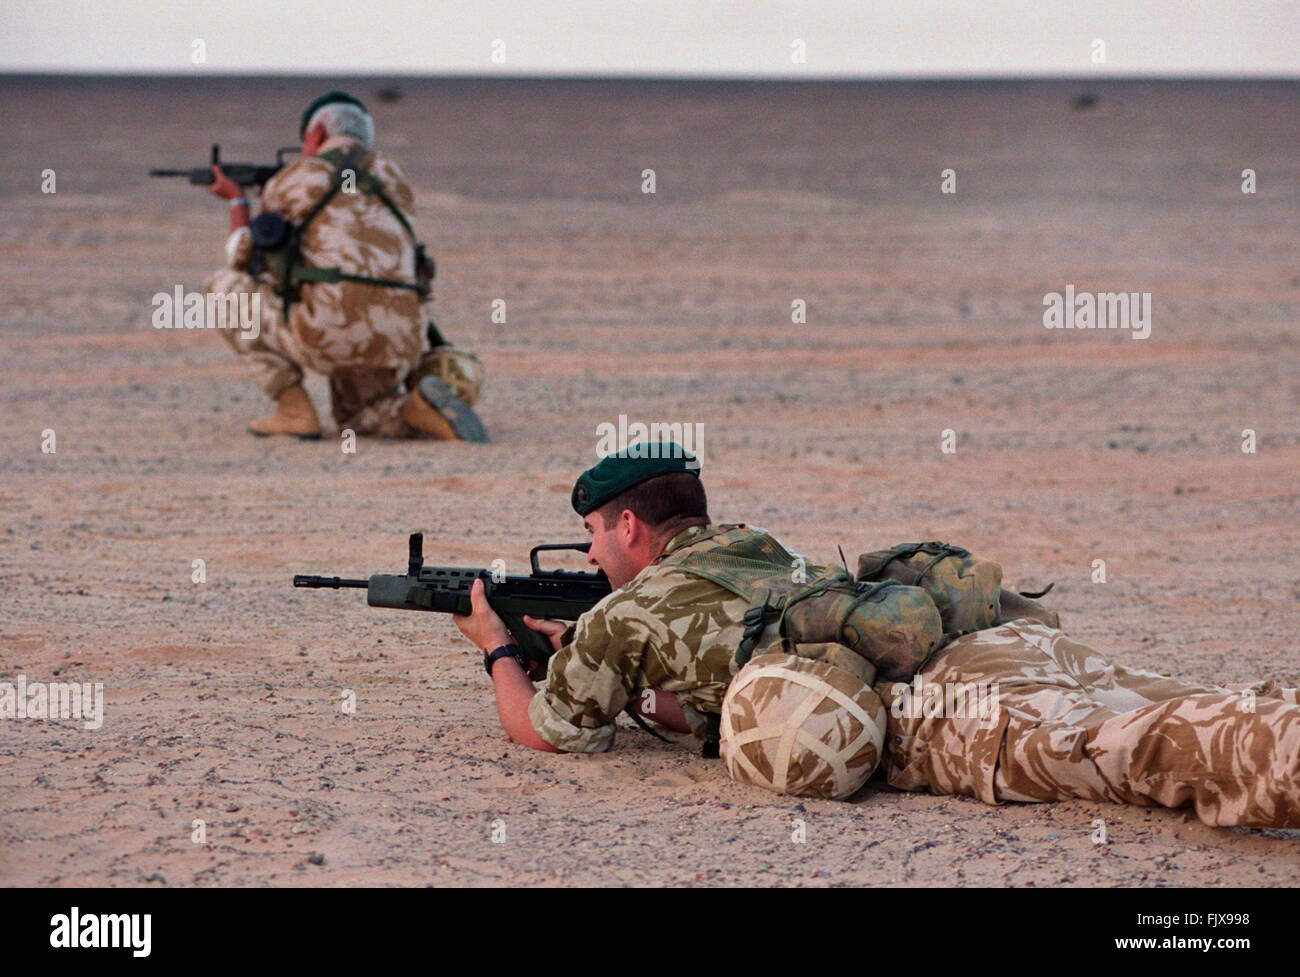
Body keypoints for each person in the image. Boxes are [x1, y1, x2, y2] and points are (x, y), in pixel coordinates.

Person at [452, 441, 1300, 830]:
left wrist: (495, 644)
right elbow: (720, 678)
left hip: (939, 712)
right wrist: (611, 669)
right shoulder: (756, 547)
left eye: (596, 533)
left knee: (1151, 749)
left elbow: (545, 731)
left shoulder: (625, 616)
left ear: (630, 525)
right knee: (1199, 704)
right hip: (990, 641)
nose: (593, 553)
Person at [204, 90, 486, 441]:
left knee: (223, 287)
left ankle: (294, 411)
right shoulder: (396, 179)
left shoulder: (296, 177)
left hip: (331, 334)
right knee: (359, 418)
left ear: (316, 135)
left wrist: (238, 202)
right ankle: (414, 411)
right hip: (397, 339)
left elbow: (242, 258)